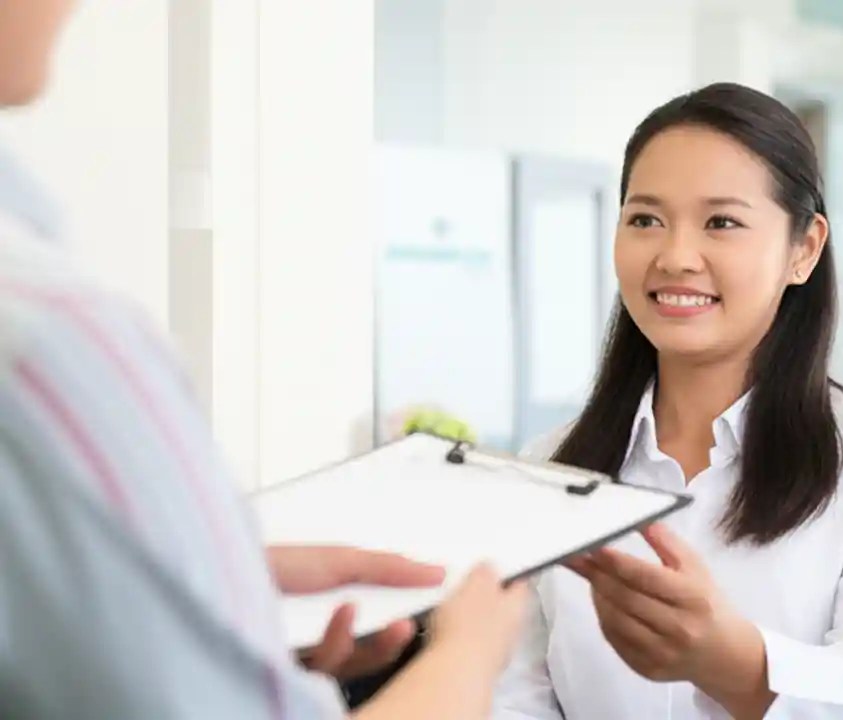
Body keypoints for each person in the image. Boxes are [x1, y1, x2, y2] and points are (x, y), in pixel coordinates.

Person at [0, 2, 527, 718]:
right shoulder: (50, 343)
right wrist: (465, 657)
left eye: (723, 221)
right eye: (645, 215)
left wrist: (220, 591)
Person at [491, 83, 843, 719]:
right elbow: (511, 702)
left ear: (804, 249)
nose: (675, 256)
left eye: (722, 223)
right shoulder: (549, 465)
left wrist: (732, 660)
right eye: (645, 220)